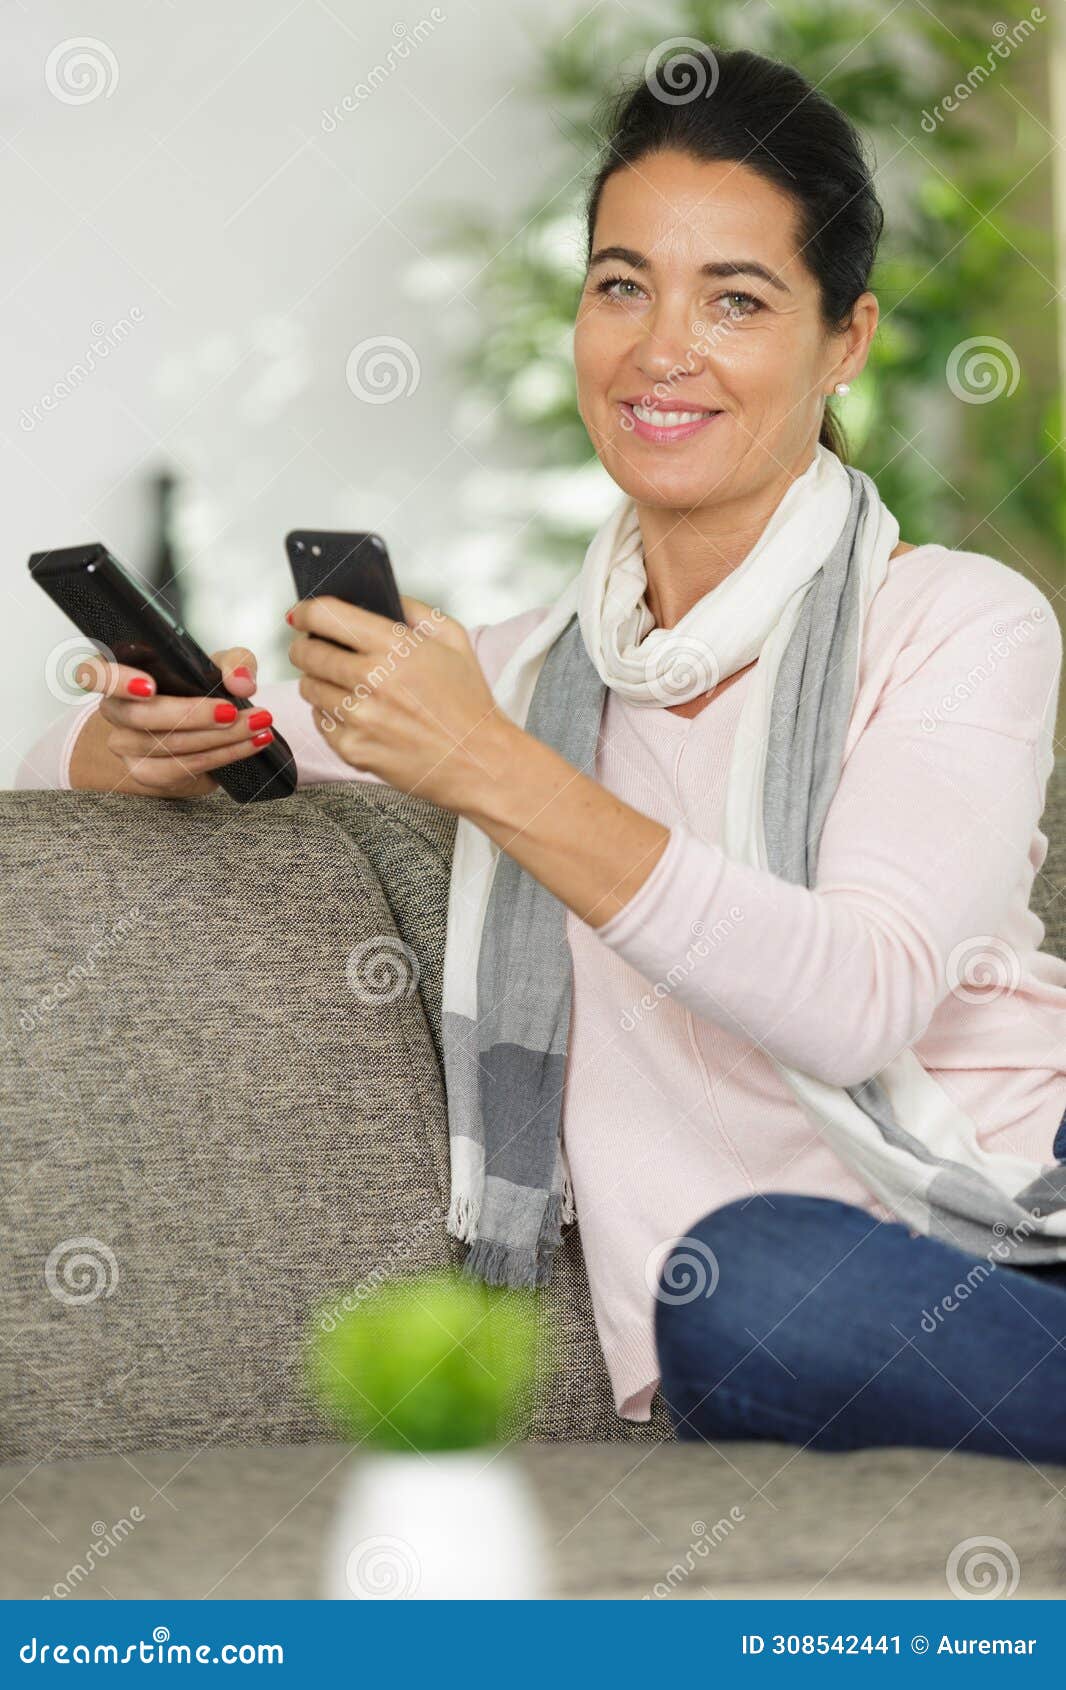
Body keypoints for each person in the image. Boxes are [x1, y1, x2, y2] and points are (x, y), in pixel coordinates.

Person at [17, 47, 1066, 1461]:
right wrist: (130, 742)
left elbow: (855, 996)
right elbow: (43, 781)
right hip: (799, 1300)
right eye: (620, 284)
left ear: (846, 341)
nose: (658, 348)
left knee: (752, 1281)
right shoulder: (506, 672)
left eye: (736, 299)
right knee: (740, 1285)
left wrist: (486, 764)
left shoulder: (956, 619)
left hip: (1022, 1218)